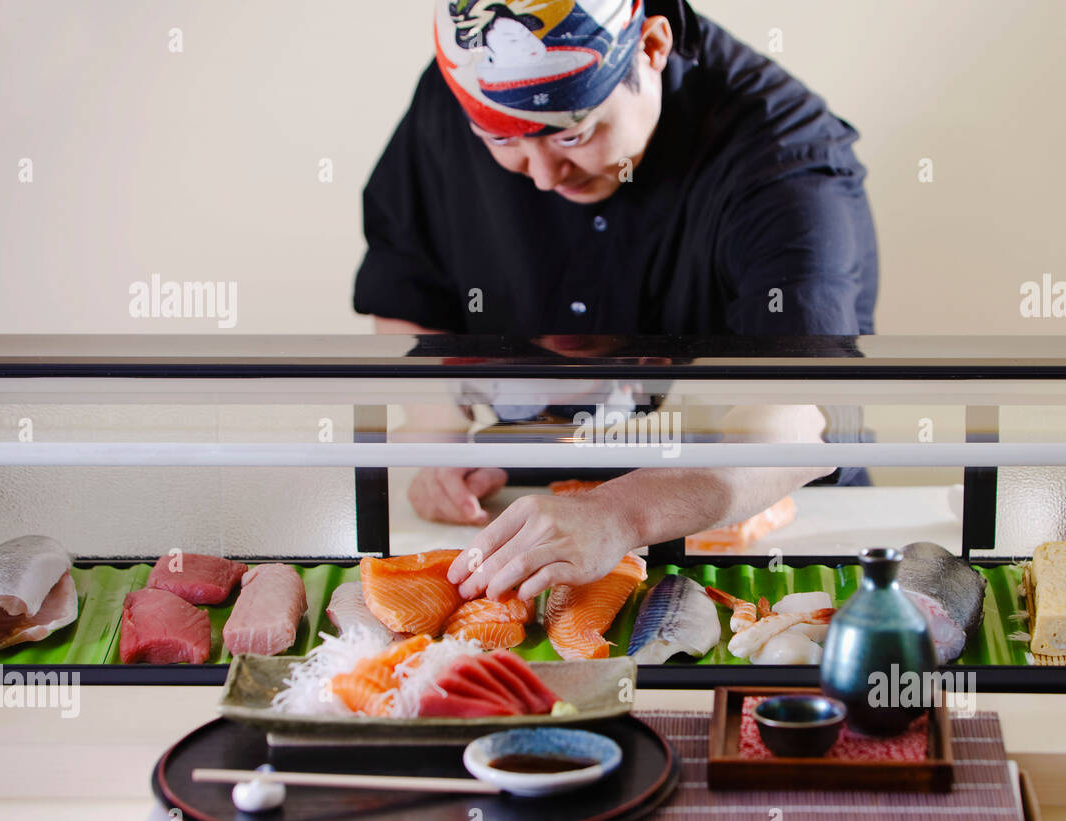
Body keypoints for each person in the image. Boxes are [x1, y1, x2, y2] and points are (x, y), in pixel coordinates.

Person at [354, 0, 879, 600]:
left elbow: (801, 417)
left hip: (766, 524)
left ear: (652, 48)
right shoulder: (477, 75)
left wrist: (621, 515)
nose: (545, 175)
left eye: (573, 133)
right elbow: (405, 267)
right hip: (519, 498)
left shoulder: (784, 155)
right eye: (502, 142)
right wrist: (435, 430)